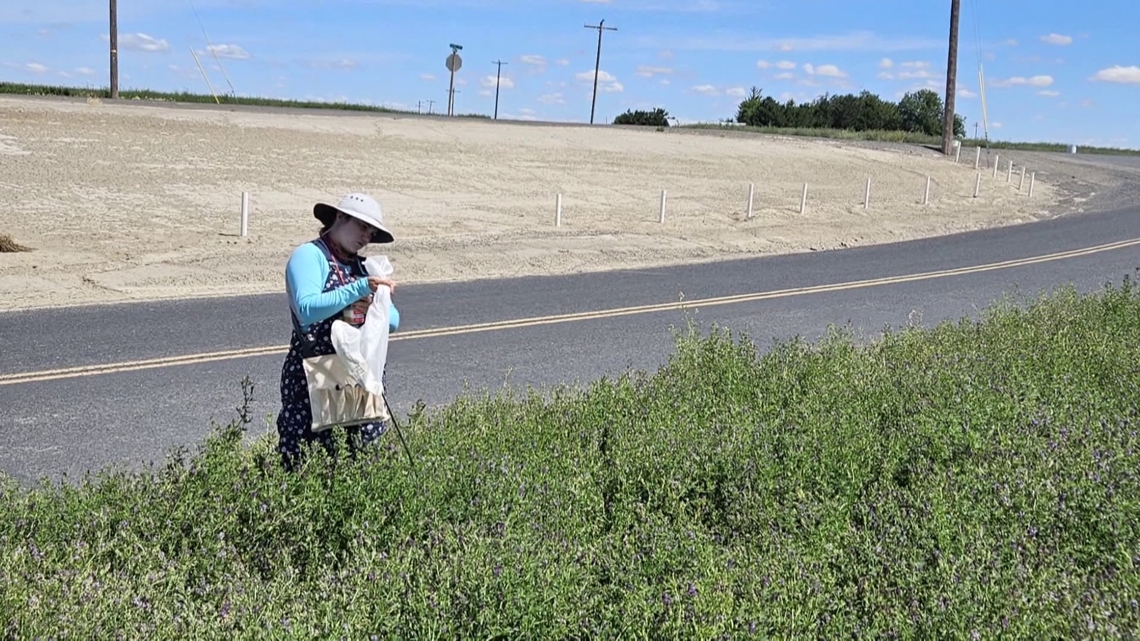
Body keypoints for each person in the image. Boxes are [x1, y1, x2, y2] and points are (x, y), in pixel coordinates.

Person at [275, 192, 400, 471]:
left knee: (362, 458)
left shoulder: (363, 267)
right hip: (313, 374)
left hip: (357, 377)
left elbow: (392, 321)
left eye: (372, 231)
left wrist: (376, 301)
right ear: (340, 218)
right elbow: (307, 308)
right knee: (304, 458)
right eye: (361, 226)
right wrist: (361, 289)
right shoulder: (310, 255)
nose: (366, 236)